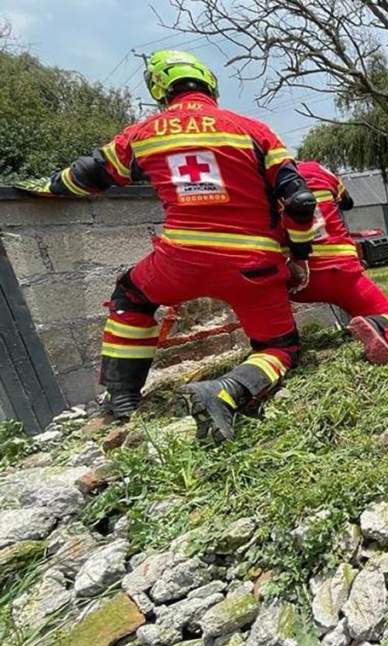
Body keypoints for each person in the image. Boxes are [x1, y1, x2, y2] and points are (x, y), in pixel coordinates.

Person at [15, 50, 316, 443]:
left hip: (178, 260)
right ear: (209, 83)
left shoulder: (143, 133)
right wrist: (300, 257)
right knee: (280, 348)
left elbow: (90, 174)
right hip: (253, 265)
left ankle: (122, 398)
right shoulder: (252, 130)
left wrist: (45, 187)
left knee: (131, 297)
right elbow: (299, 201)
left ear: (158, 87)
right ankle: (226, 391)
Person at [288, 160, 388, 364]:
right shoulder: (317, 169)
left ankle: (282, 345)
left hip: (295, 279)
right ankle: (376, 325)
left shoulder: (264, 178)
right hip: (341, 271)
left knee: (269, 299)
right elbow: (347, 202)